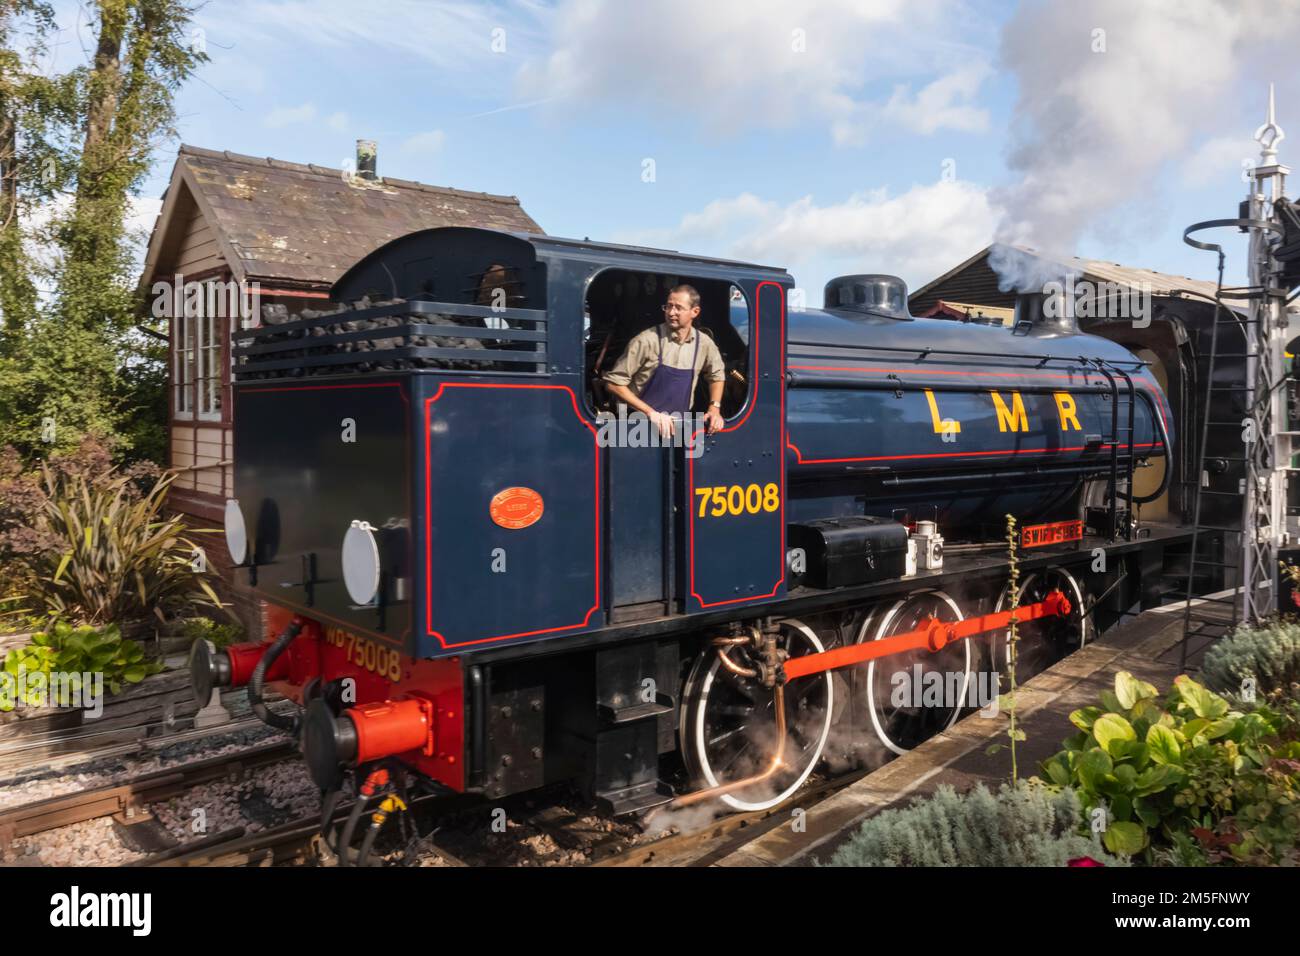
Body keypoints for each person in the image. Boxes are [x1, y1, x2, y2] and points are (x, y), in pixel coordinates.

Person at [602, 284, 726, 439]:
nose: (671, 312)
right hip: (638, 427)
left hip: (679, 427)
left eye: (678, 308)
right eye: (668, 306)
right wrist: (651, 413)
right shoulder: (646, 340)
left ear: (695, 312)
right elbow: (614, 384)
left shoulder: (704, 343)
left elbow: (717, 375)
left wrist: (714, 408)